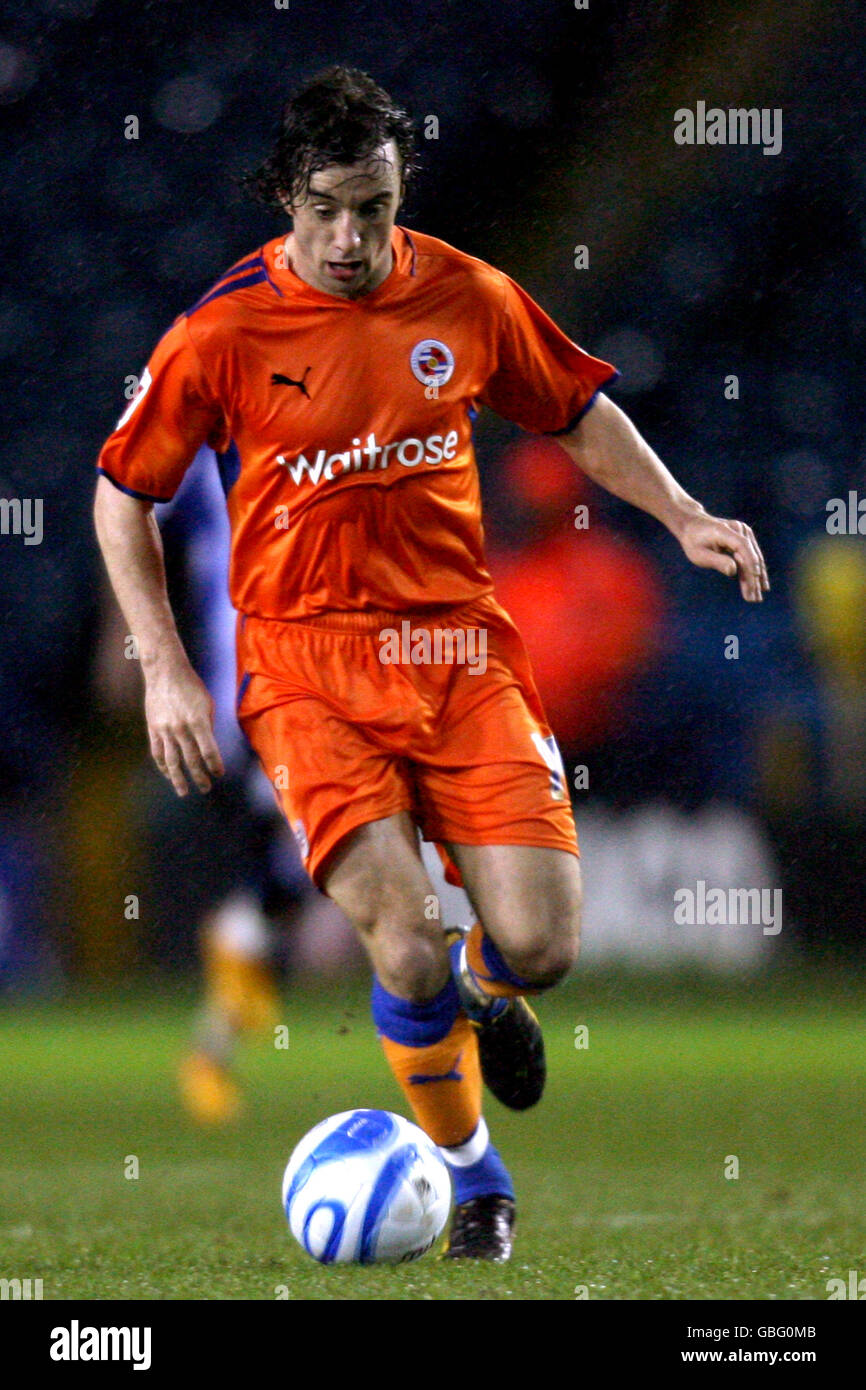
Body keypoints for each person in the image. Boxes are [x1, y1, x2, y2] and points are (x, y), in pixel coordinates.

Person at [93, 66, 769, 1261]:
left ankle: (492, 993)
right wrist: (162, 665)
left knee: (546, 946)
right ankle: (476, 1183)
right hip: (306, 673)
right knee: (400, 938)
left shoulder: (464, 292)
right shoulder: (222, 331)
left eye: (376, 206)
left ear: (399, 193)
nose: (352, 238)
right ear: (284, 200)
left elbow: (571, 409)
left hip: (461, 656)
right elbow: (120, 495)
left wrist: (679, 514)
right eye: (326, 210)